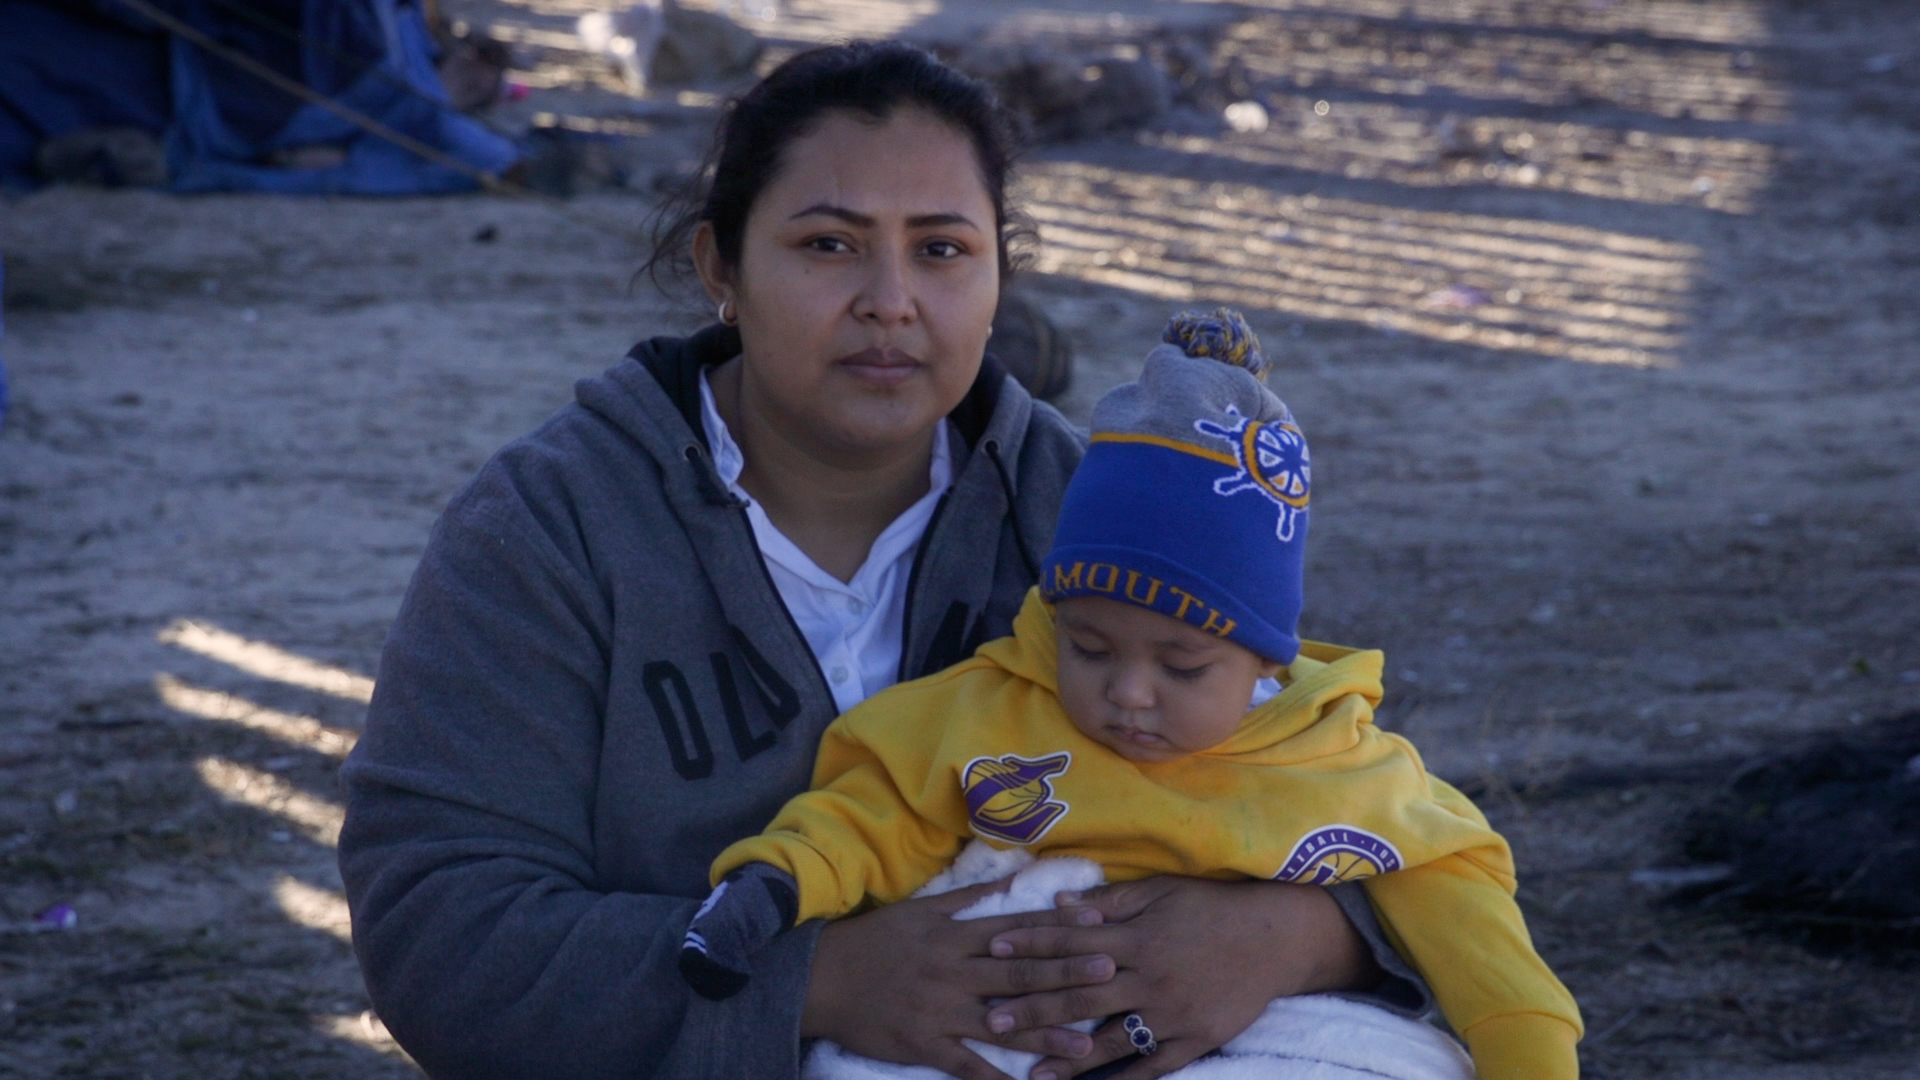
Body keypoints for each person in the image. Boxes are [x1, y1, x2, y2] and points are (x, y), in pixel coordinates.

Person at [339, 42, 1433, 1080]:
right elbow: (439, 930)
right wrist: (815, 981)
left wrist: (1293, 940)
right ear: (721, 264)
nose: (891, 301)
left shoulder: (1097, 510)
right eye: (829, 243)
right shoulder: (554, 528)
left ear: (1001, 273)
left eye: (943, 249)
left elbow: (1348, 788)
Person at [678, 310, 1584, 1079]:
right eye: (1091, 647)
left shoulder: (1344, 771)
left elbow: (1478, 939)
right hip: (986, 1021)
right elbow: (873, 811)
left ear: (1264, 659)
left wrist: (1529, 1052)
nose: (1130, 695)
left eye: (1184, 668)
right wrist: (774, 885)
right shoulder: (994, 708)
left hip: (1242, 1033)